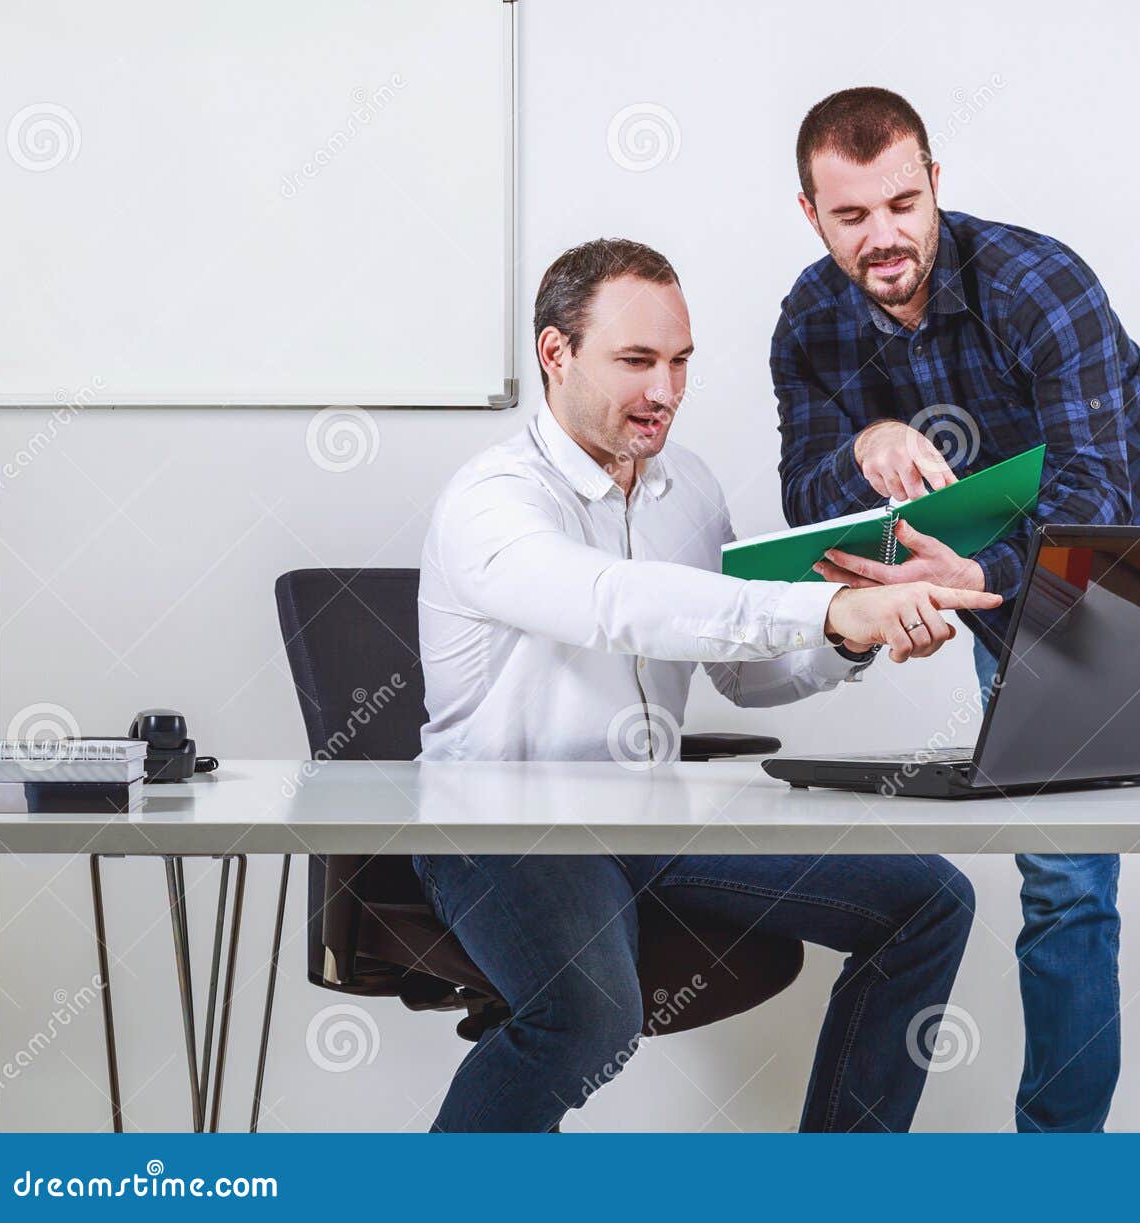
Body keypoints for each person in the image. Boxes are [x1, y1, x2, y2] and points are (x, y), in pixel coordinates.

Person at [771, 87, 1140, 1132]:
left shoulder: (1036, 282)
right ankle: (1059, 1166)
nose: (884, 236)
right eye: (852, 217)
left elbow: (1090, 503)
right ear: (811, 214)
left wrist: (962, 578)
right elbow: (808, 498)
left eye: (903, 203)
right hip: (1004, 595)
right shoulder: (808, 322)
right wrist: (863, 443)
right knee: (1065, 885)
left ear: (935, 183)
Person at [413, 237, 999, 1132]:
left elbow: (740, 668)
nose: (665, 392)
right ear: (555, 354)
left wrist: (855, 632)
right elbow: (618, 604)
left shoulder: (686, 486)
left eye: (681, 361)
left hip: (653, 815)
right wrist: (828, 612)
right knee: (589, 1020)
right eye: (637, 361)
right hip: (507, 827)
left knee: (928, 901)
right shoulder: (491, 501)